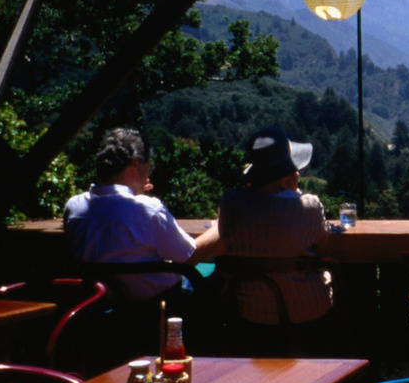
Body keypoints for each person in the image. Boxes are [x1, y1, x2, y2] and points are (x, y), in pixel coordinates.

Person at [193, 126, 336, 334]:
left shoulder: (231, 201)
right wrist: (294, 192)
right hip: (306, 309)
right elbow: (322, 242)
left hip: (249, 311)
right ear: (289, 171)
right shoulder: (310, 205)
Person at [63, 127, 200, 303]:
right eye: (149, 166)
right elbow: (188, 254)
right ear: (135, 164)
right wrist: (222, 225)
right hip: (156, 305)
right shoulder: (147, 209)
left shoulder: (74, 207)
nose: (149, 175)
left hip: (101, 304)